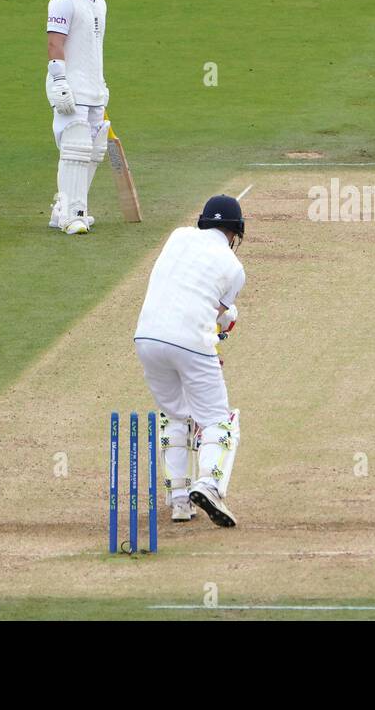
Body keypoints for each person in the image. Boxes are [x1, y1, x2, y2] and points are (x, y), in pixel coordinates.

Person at [133, 195, 246, 526]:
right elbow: (215, 315)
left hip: (147, 337)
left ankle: (180, 501)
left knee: (176, 415)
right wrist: (227, 321)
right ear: (235, 232)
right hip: (191, 343)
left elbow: (185, 290)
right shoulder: (234, 268)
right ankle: (209, 485)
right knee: (218, 420)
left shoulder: (178, 236)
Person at [46, 0, 112, 235]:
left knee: (94, 151)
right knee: (75, 148)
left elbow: (94, 47)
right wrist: (59, 81)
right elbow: (54, 42)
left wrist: (102, 85)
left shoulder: (99, 3)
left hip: (94, 89)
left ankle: (69, 206)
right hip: (70, 87)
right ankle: (70, 215)